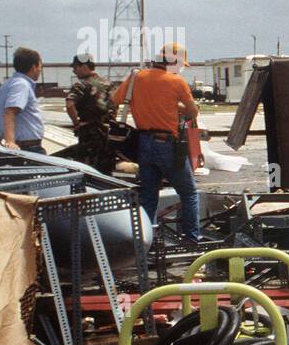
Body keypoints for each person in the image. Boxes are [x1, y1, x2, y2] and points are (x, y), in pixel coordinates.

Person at [112, 42, 201, 242]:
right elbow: (192, 112)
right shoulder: (176, 81)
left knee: (149, 197)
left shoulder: (136, 77)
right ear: (173, 61)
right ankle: (192, 240)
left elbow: (115, 100)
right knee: (189, 193)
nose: (180, 68)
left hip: (143, 143)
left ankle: (145, 243)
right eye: (180, 64)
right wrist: (176, 108)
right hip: (167, 143)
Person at [65, 52, 117, 174]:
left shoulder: (81, 85)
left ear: (84, 67)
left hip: (88, 133)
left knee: (86, 170)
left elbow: (69, 104)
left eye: (75, 67)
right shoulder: (109, 84)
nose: (74, 71)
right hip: (107, 133)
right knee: (105, 170)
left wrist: (76, 124)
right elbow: (115, 104)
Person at [0, 46, 46, 153]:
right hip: (28, 148)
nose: (40, 70)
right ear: (34, 67)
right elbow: (10, 111)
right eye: (40, 66)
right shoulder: (21, 85)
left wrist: (2, 133)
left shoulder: (7, 84)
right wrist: (10, 141)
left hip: (24, 146)